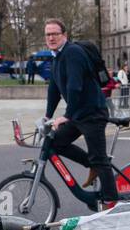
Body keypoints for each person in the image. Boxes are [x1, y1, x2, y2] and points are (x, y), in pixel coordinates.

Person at [43, 18, 117, 202]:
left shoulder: (72, 53)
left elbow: (74, 87)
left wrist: (66, 116)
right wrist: (47, 115)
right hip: (78, 114)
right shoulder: (57, 56)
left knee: (100, 159)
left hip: (92, 114)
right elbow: (54, 89)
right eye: (48, 34)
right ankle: (91, 165)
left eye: (55, 34)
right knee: (55, 143)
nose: (51, 38)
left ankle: (111, 203)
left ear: (64, 35)